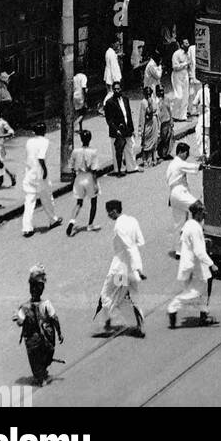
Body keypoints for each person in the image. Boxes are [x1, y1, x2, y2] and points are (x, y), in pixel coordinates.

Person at [94, 200, 146, 338]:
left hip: (120, 269)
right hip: (131, 270)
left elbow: (129, 247)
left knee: (107, 294)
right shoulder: (133, 221)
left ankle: (109, 321)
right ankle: (140, 326)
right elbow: (139, 242)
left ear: (114, 211)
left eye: (108, 212)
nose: (108, 215)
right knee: (133, 295)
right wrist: (137, 268)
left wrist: (137, 267)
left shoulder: (118, 227)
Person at [167, 200, 218, 328]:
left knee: (203, 289)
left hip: (189, 264)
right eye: (203, 212)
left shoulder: (188, 225)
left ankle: (204, 315)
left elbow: (185, 242)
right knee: (195, 291)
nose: (205, 214)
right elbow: (199, 251)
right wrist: (211, 264)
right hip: (195, 265)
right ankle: (173, 307)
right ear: (198, 213)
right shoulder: (195, 228)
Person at [14, 265, 63, 386]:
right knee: (46, 355)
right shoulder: (46, 304)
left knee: (34, 359)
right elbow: (55, 319)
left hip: (31, 339)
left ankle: (40, 376)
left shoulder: (24, 307)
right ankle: (42, 376)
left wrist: (18, 316)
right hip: (46, 337)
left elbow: (19, 322)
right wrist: (59, 333)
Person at [21, 123, 61, 238]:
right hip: (40, 175)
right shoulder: (45, 141)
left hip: (29, 174)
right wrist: (45, 170)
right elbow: (41, 158)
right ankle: (53, 220)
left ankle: (27, 228)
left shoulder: (29, 142)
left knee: (29, 202)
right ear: (45, 131)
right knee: (47, 198)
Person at [166, 141, 199, 254]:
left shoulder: (172, 164)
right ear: (181, 152)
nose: (187, 155)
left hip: (173, 195)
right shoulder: (179, 163)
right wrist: (204, 164)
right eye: (186, 153)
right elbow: (194, 167)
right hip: (179, 193)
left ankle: (179, 250)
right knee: (198, 208)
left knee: (179, 223)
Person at [66, 129, 101, 235]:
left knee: (79, 203)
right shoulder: (93, 152)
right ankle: (90, 225)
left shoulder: (75, 151)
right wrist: (95, 184)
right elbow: (94, 170)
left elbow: (71, 166)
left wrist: (73, 180)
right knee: (93, 202)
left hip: (79, 177)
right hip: (89, 178)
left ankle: (72, 221)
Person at [104, 81, 137, 175]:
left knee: (130, 148)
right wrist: (116, 130)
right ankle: (119, 169)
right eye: (114, 89)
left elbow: (129, 115)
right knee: (117, 151)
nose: (116, 91)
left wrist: (132, 129)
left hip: (127, 128)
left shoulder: (125, 99)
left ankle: (131, 167)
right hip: (116, 131)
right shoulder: (109, 102)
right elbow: (109, 120)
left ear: (121, 89)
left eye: (118, 89)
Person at [137, 86, 158, 168]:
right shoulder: (143, 102)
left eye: (150, 93)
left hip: (154, 122)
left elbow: (156, 112)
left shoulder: (154, 101)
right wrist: (140, 128)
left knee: (154, 141)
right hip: (147, 124)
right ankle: (145, 160)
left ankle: (153, 158)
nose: (148, 95)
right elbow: (143, 115)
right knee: (146, 143)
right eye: (147, 94)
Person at [170, 42, 191, 122]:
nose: (187, 44)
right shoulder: (176, 54)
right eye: (185, 43)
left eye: (188, 43)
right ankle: (175, 114)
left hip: (185, 75)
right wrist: (185, 64)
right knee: (179, 96)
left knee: (186, 95)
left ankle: (183, 116)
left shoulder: (188, 54)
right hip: (177, 75)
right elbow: (175, 67)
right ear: (182, 45)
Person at [154, 85, 174, 160]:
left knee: (168, 138)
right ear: (156, 92)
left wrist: (171, 119)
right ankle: (159, 153)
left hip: (167, 120)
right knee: (161, 139)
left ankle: (165, 154)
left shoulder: (167, 98)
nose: (161, 92)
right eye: (160, 91)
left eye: (162, 90)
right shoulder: (155, 100)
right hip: (159, 122)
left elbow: (169, 109)